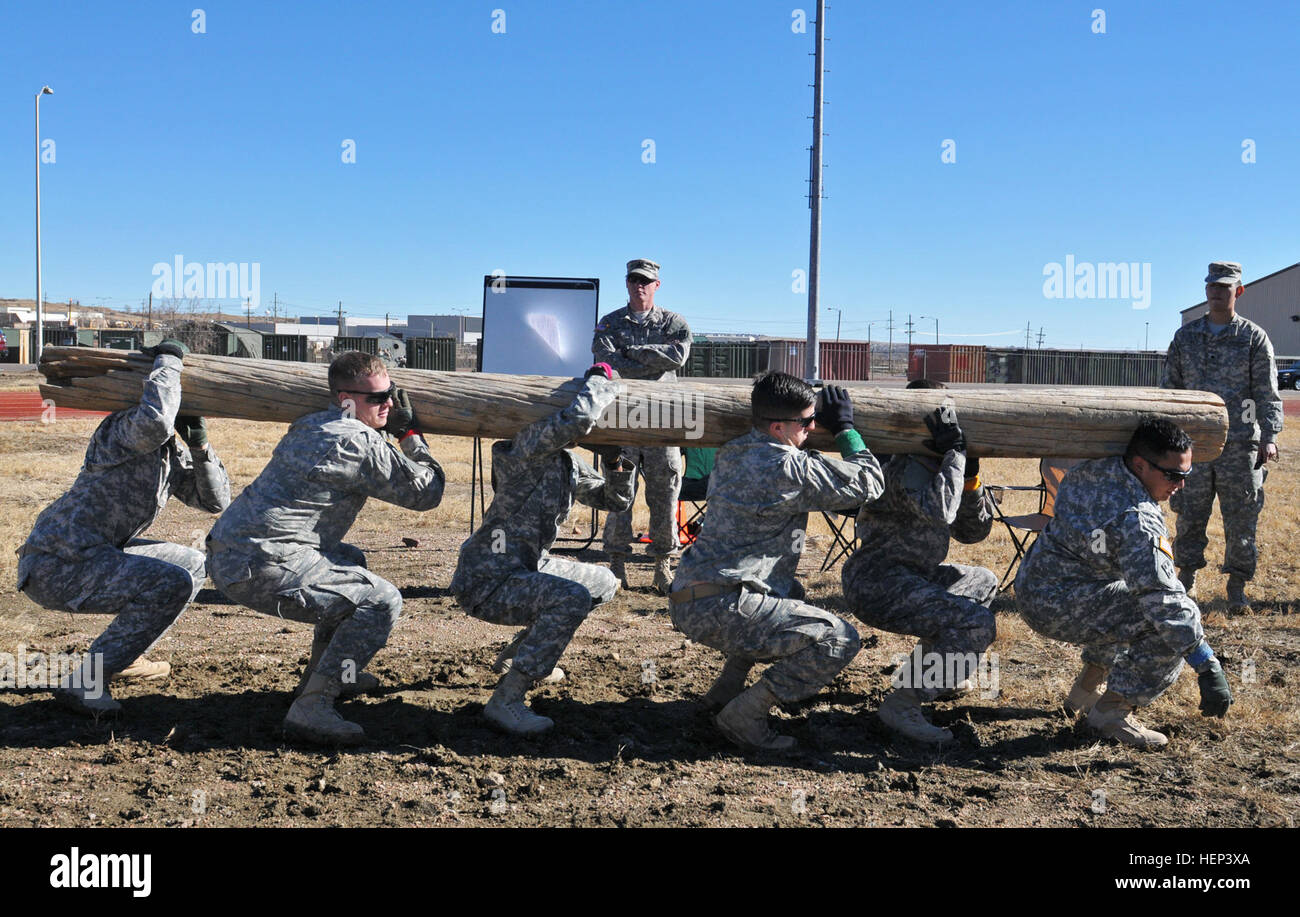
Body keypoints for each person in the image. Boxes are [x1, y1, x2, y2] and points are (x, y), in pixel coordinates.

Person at [206, 352, 444, 745]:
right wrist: (409, 436)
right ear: (343, 400)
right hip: (260, 567)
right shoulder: (357, 439)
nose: (388, 404)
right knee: (380, 601)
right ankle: (312, 707)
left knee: (350, 562)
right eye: (377, 398)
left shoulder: (311, 424)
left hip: (233, 555)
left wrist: (381, 423)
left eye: (392, 393)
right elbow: (427, 493)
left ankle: (333, 672)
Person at [668, 372, 884, 751]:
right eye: (806, 422)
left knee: (790, 590)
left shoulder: (732, 451)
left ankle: (724, 692)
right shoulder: (789, 468)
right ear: (777, 426)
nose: (813, 427)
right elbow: (870, 482)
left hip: (691, 595)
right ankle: (746, 713)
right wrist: (846, 428)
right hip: (723, 606)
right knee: (839, 639)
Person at [16, 339, 230, 714]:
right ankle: (88, 679)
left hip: (96, 552)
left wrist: (200, 448)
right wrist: (169, 361)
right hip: (57, 562)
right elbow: (155, 421)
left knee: (192, 564)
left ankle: (125, 657)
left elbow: (212, 501)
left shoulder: (167, 452)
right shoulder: (119, 430)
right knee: (171, 583)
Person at [1014, 417, 1233, 748]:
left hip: (1036, 583)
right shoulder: (1138, 520)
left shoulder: (1097, 469)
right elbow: (1165, 601)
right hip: (1059, 603)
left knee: (1125, 594)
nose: (1181, 485)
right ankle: (1110, 715)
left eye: (1187, 475)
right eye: (1173, 475)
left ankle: (1083, 694)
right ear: (1141, 465)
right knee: (1163, 621)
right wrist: (1206, 664)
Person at [451, 363, 636, 736]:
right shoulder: (523, 449)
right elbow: (578, 418)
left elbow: (615, 501)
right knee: (569, 598)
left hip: (527, 566)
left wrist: (615, 461)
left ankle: (517, 657)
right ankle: (508, 699)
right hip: (488, 576)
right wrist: (601, 380)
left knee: (602, 582)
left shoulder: (567, 462)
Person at [841, 381, 997, 746]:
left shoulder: (941, 465)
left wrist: (969, 478)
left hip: (916, 577)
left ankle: (939, 669)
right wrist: (954, 457)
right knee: (977, 623)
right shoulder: (896, 465)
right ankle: (903, 704)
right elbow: (940, 510)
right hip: (878, 583)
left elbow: (972, 534)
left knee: (982, 581)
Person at [1162, 261, 1283, 613]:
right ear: (1206, 289)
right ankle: (1186, 577)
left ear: (1238, 291)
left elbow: (1267, 392)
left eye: (1224, 287)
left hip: (1241, 444)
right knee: (1189, 514)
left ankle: (1236, 586)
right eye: (1212, 286)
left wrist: (1270, 435)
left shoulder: (1252, 337)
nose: (1216, 292)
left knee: (1242, 517)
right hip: (1193, 445)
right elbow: (1170, 390)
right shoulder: (1186, 337)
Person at [592, 258, 692, 594]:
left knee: (665, 493)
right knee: (620, 491)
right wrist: (650, 357)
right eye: (634, 280)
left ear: (657, 285)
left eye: (646, 281)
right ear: (626, 283)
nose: (640, 286)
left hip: (662, 420)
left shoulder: (673, 322)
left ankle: (662, 565)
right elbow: (605, 361)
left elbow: (676, 357)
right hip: (622, 419)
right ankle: (617, 563)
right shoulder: (610, 323)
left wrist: (632, 351)